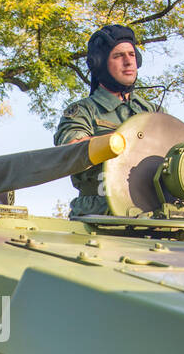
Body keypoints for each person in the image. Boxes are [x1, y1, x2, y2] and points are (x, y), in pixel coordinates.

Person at [54, 24, 157, 217]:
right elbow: (71, 150)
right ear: (100, 63)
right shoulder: (83, 111)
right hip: (98, 215)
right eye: (118, 56)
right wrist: (121, 142)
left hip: (150, 214)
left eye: (132, 55)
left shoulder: (152, 112)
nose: (128, 62)